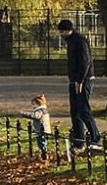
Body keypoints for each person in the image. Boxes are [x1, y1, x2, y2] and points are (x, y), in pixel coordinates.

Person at [58, 18, 100, 153]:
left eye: (62, 32)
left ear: (68, 30)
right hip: (74, 80)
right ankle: (79, 141)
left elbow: (85, 62)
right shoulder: (71, 41)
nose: (61, 35)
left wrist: (80, 80)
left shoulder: (80, 41)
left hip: (84, 79)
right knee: (75, 111)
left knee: (83, 110)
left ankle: (95, 139)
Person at [21, 93, 52, 160]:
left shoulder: (40, 111)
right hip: (43, 130)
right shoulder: (44, 110)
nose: (33, 106)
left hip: (41, 130)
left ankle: (44, 153)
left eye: (34, 104)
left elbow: (35, 116)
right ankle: (43, 153)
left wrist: (24, 114)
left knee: (41, 143)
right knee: (42, 142)